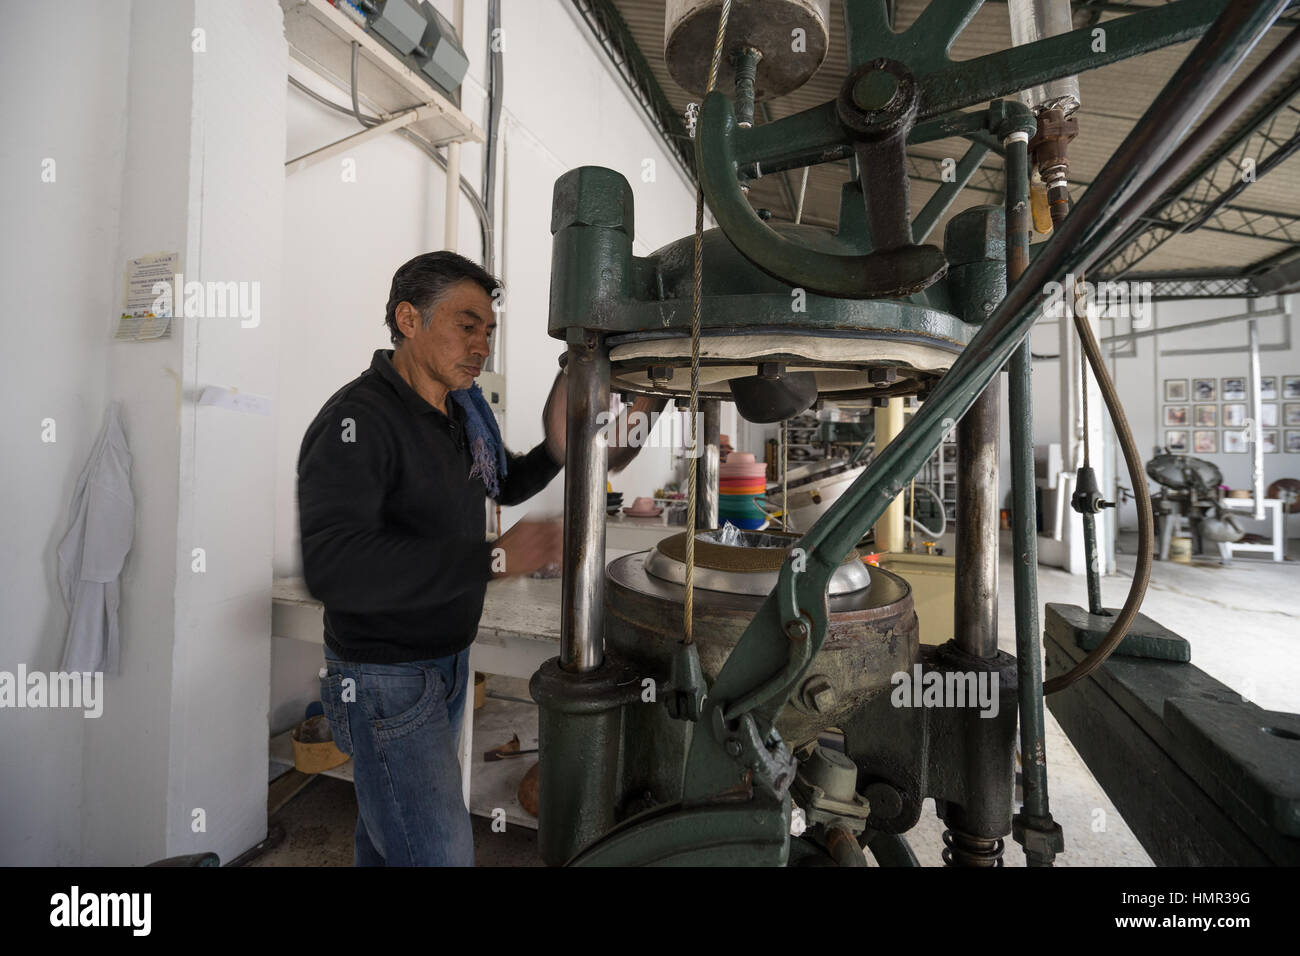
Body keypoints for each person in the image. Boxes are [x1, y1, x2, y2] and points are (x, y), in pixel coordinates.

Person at [297, 251, 565, 867]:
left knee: (388, 837)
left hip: (444, 662)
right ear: (408, 320)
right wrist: (493, 560)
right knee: (435, 854)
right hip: (384, 676)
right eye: (466, 325)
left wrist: (555, 449)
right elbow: (333, 566)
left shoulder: (463, 411)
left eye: (489, 331)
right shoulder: (358, 421)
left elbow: (505, 482)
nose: (482, 346)